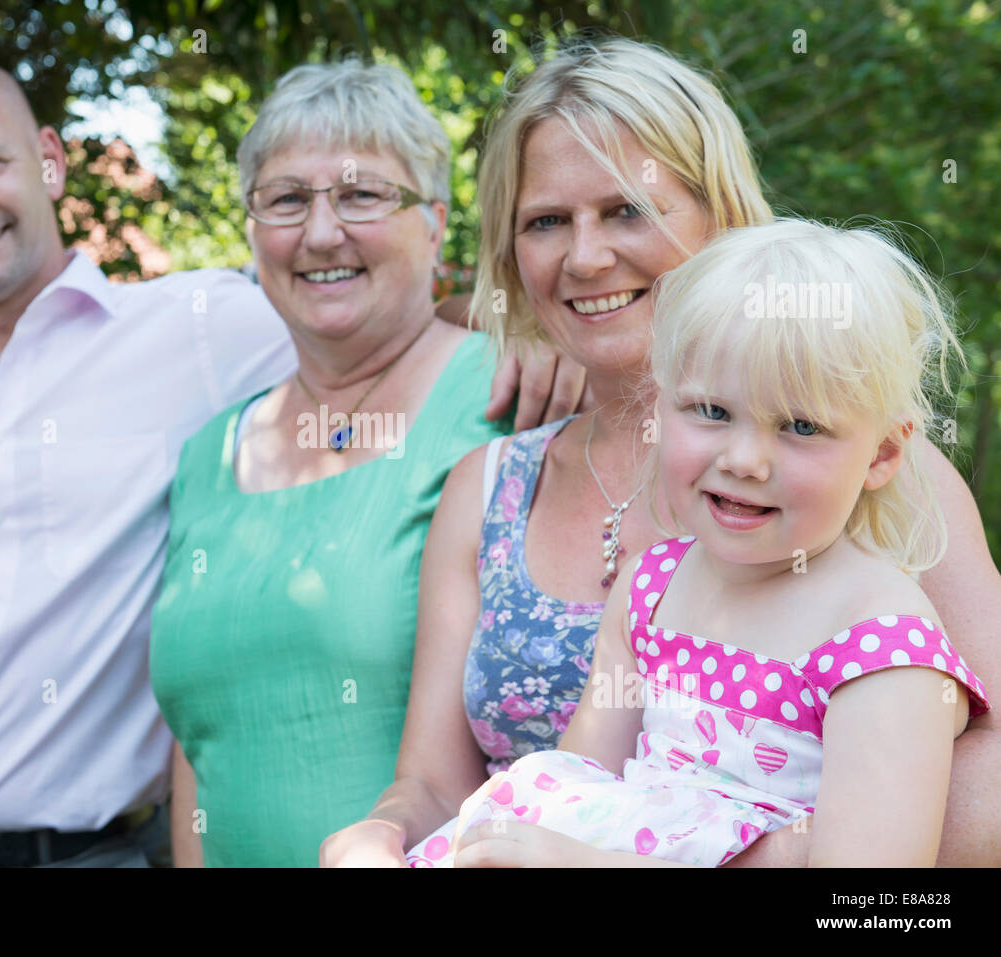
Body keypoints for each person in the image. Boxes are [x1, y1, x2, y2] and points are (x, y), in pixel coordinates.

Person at [0, 55, 567, 868]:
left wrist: (531, 325)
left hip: (94, 853)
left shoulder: (194, 329)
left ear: (49, 161)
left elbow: (364, 305)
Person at [321, 35, 1001, 868]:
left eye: (627, 209)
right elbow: (474, 781)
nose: (586, 255)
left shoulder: (871, 493)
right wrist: (382, 833)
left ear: (719, 213)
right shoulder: (501, 486)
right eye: (545, 222)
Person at [405, 218, 989, 867]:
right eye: (711, 411)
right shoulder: (652, 587)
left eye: (800, 425)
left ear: (882, 453)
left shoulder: (881, 636)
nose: (743, 458)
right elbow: (577, 788)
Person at [149, 60, 535, 867]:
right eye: (287, 200)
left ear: (433, 222)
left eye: (361, 196)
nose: (321, 233)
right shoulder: (207, 454)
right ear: (253, 232)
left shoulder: (512, 397)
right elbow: (199, 744)